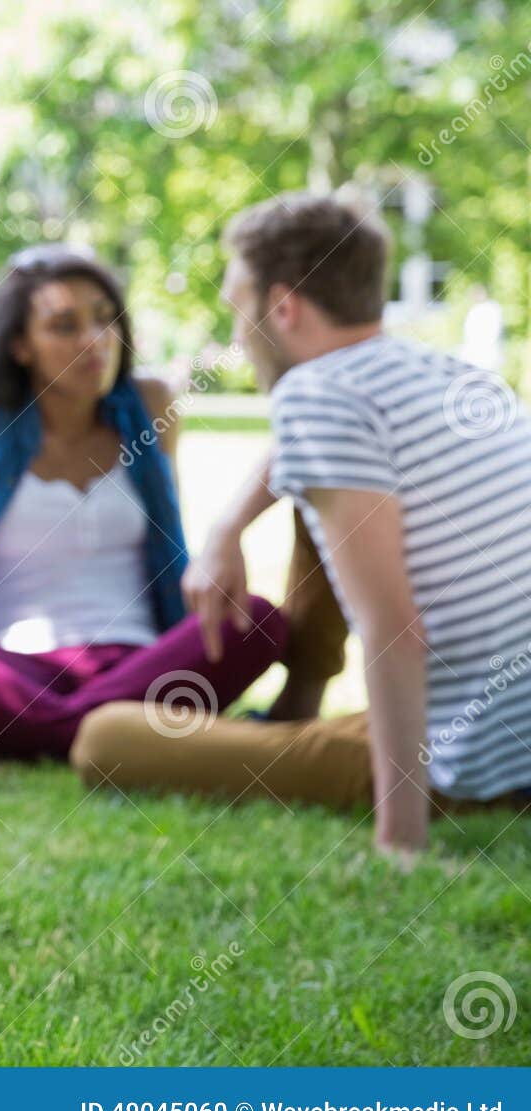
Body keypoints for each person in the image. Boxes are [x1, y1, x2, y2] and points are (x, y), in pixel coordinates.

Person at [72, 192, 531, 853]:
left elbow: (394, 630)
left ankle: (295, 730)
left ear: (283, 307)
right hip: (505, 707)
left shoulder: (317, 397)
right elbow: (295, 452)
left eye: (238, 308)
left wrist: (402, 841)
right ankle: (296, 712)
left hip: (477, 753)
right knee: (321, 494)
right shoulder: (442, 374)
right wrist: (227, 527)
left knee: (106, 738)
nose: (236, 334)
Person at [0, 245, 287, 763]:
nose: (96, 340)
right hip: (10, 669)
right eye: (64, 326)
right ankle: (111, 732)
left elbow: (169, 543)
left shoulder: (152, 404)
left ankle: (36, 735)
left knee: (259, 619)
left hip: (137, 662)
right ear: (20, 346)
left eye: (104, 318)